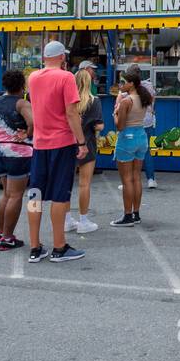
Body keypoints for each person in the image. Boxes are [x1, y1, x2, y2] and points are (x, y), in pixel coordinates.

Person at [26, 40, 87, 263]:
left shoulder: (32, 78)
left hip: (39, 143)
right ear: (62, 57)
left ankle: (35, 246)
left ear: (44, 57)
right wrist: (81, 142)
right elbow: (71, 113)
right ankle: (59, 246)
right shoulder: (66, 77)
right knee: (60, 195)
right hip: (61, 142)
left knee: (35, 194)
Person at [0, 69, 33, 251]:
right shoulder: (22, 103)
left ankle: (0, 233)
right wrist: (26, 134)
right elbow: (33, 123)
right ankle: (8, 238)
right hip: (17, 153)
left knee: (6, 194)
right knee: (16, 195)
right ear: (22, 86)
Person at [110, 67, 153, 227]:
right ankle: (136, 213)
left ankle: (127, 215)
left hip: (127, 138)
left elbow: (119, 126)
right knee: (136, 178)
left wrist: (115, 115)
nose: (120, 85)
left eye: (123, 82)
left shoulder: (126, 101)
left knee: (126, 179)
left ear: (131, 84)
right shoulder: (143, 98)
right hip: (141, 137)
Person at [67, 68, 102, 235]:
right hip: (87, 143)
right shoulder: (94, 101)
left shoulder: (67, 100)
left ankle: (66, 220)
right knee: (84, 184)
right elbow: (99, 125)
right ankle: (83, 220)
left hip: (67, 143)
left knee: (65, 183)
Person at [141, 77, 158, 188]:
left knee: (131, 152)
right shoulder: (149, 86)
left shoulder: (129, 87)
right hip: (147, 121)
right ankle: (150, 179)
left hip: (133, 123)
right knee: (147, 151)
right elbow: (153, 102)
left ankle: (128, 181)